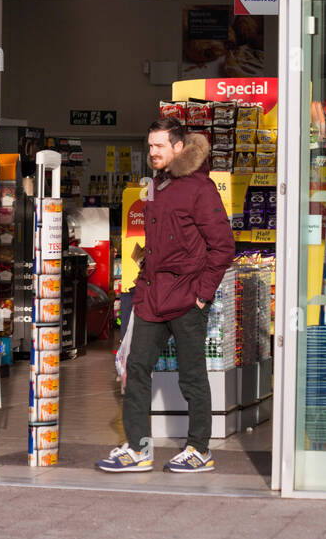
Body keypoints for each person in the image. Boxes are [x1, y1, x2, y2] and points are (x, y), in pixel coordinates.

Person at [96, 117, 235, 474]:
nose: (152, 152)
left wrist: (202, 295)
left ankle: (199, 449)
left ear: (178, 147)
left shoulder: (200, 189)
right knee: (136, 367)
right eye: (150, 146)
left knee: (192, 376)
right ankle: (139, 449)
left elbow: (222, 247)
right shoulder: (157, 185)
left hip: (187, 298)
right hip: (151, 296)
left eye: (159, 146)